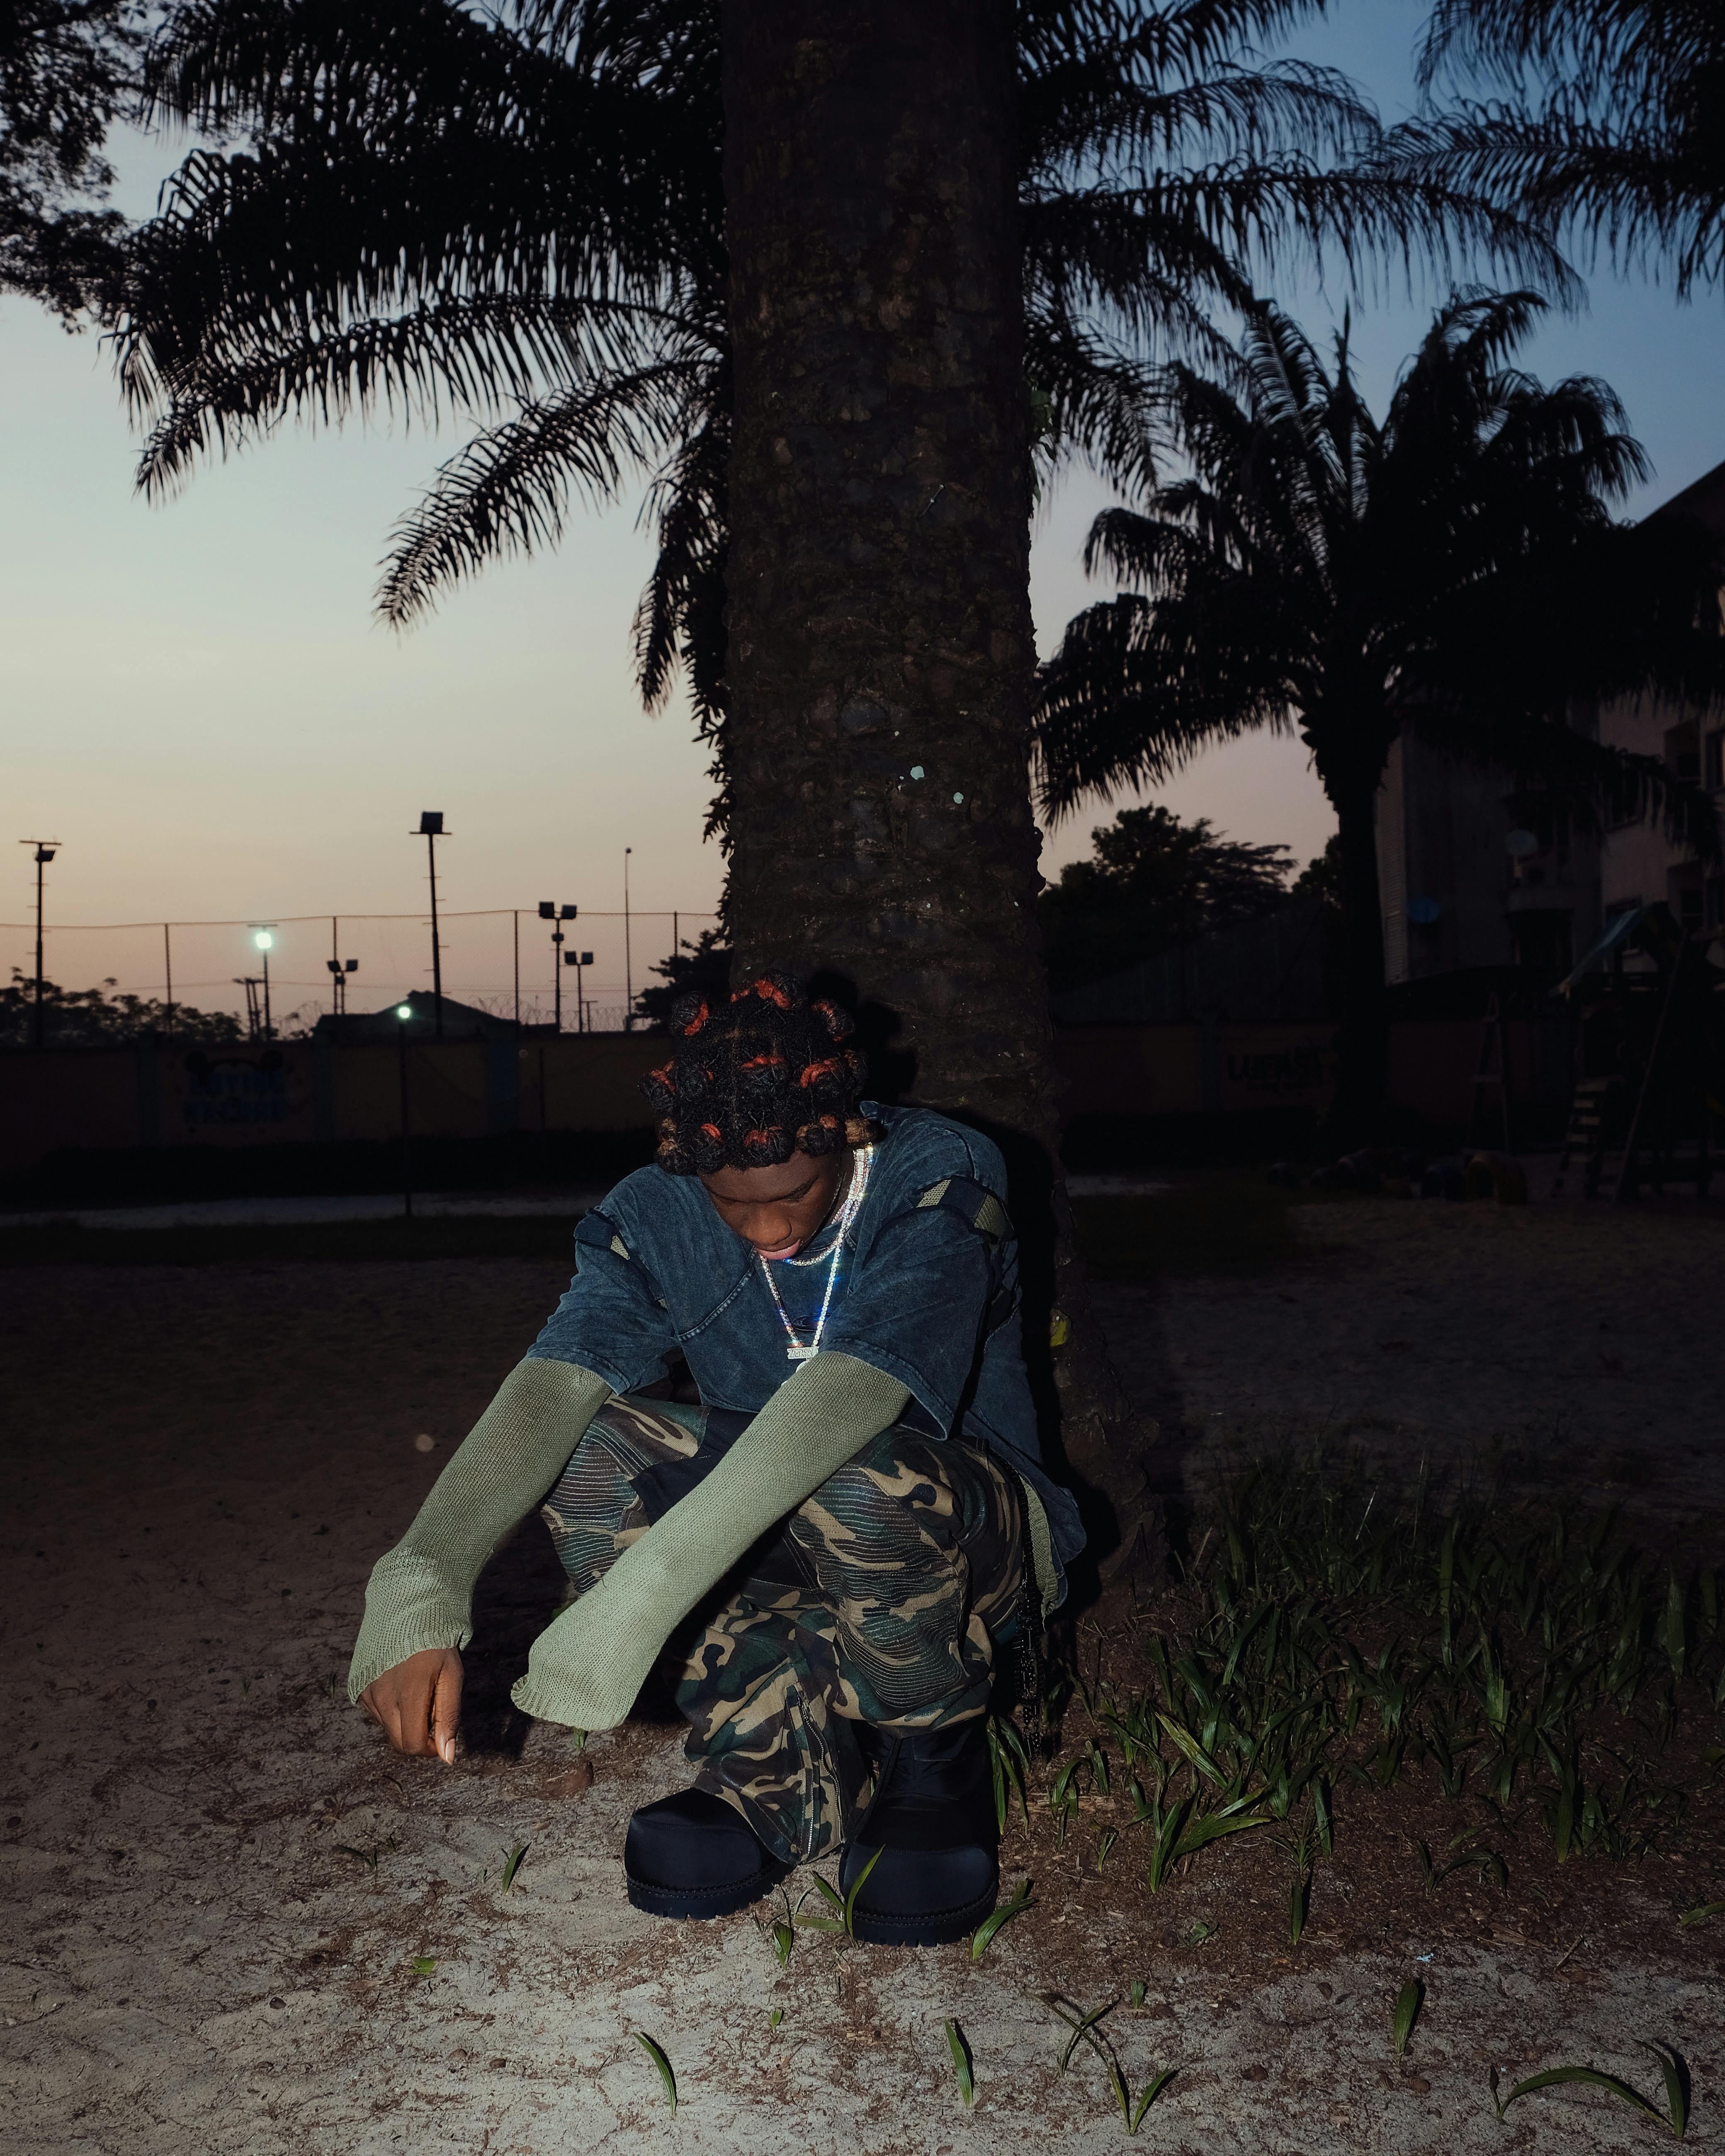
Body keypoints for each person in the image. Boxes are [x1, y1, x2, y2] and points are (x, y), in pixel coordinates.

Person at [347, 972, 1082, 1946]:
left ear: (847, 1130)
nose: (771, 1229)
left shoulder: (941, 1170)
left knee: (858, 1471)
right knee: (594, 1451)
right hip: (773, 1529)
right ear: (686, 1163)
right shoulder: (651, 1208)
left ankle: (930, 1763)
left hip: (958, 1535)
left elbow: (851, 1393)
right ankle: (768, 1763)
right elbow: (556, 1382)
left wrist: (636, 1597)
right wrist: (422, 1571)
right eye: (736, 1206)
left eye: (796, 1196)